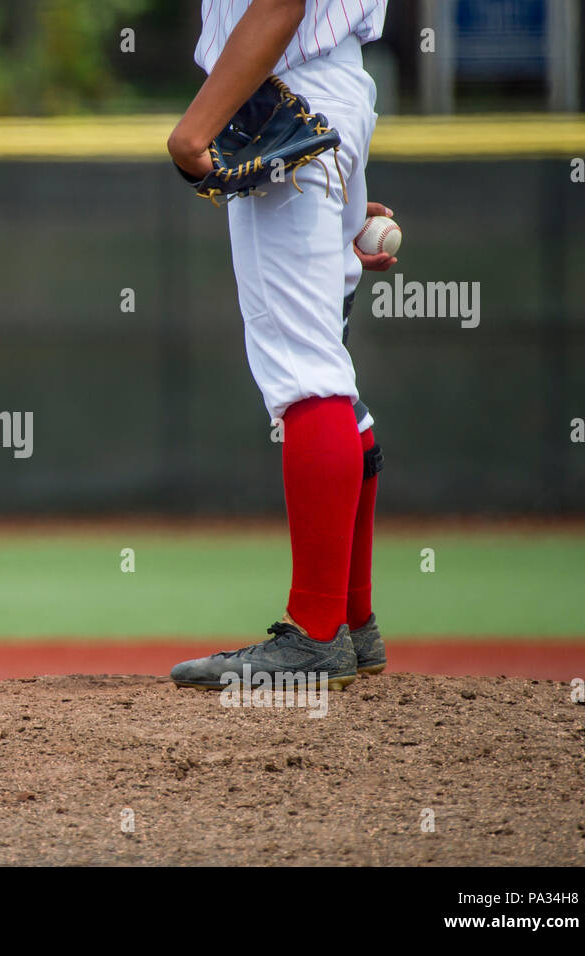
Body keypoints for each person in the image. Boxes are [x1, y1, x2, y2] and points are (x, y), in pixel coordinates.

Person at [167, 0, 394, 691]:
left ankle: (316, 635)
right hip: (337, 98)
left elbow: (280, 5)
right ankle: (351, 623)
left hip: (287, 99)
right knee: (330, 374)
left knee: (306, 375)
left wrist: (193, 131)